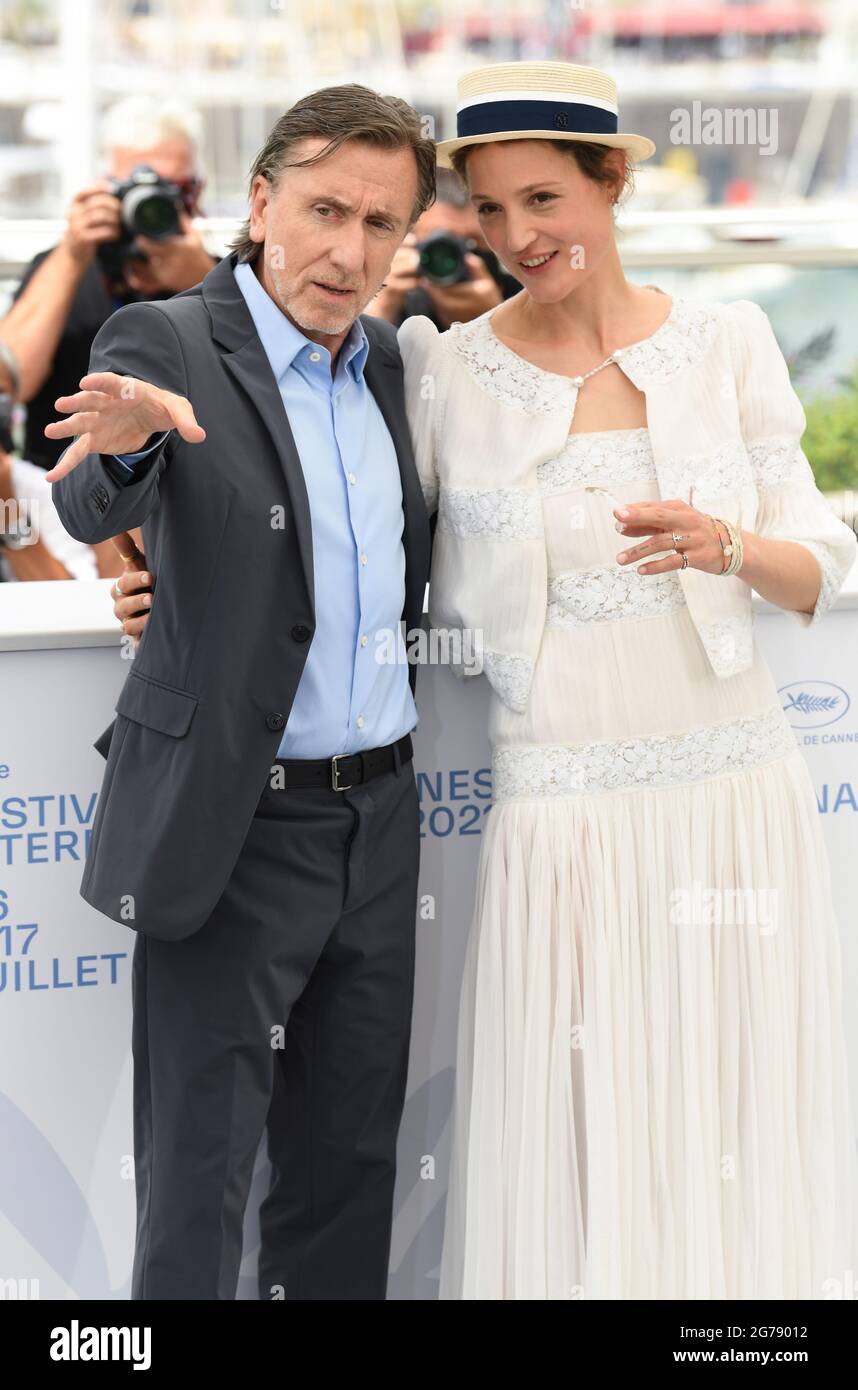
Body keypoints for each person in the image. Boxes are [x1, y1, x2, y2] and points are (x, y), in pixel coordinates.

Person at [398, 60, 858, 1299]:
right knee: (582, 1122)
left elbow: (827, 564)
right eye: (488, 211)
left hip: (732, 793)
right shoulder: (445, 369)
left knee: (736, 1106)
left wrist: (727, 547)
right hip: (564, 814)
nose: (515, 238)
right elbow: (363, 555)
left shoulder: (730, 340)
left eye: (542, 199)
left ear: (611, 181)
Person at [45, 84, 435, 1301]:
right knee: (199, 1187)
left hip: (379, 826)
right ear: (261, 199)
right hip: (234, 823)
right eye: (324, 210)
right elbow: (85, 497)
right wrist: (127, 449)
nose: (347, 251)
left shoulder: (387, 365)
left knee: (348, 1170)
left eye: (380, 224)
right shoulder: (166, 340)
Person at [1, 97, 216, 479]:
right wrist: (72, 254)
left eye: (172, 189)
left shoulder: (218, 278)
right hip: (67, 500)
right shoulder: (62, 268)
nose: (149, 205)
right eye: (131, 188)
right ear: (104, 189)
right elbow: (10, 382)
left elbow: (268, 368)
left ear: (195, 194)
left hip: (195, 495)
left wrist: (200, 279)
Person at [366, 166, 519, 329]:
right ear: (407, 243)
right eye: (440, 244)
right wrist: (379, 310)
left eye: (471, 244)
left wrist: (494, 323)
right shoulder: (393, 296)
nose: (453, 259)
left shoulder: (524, 300)